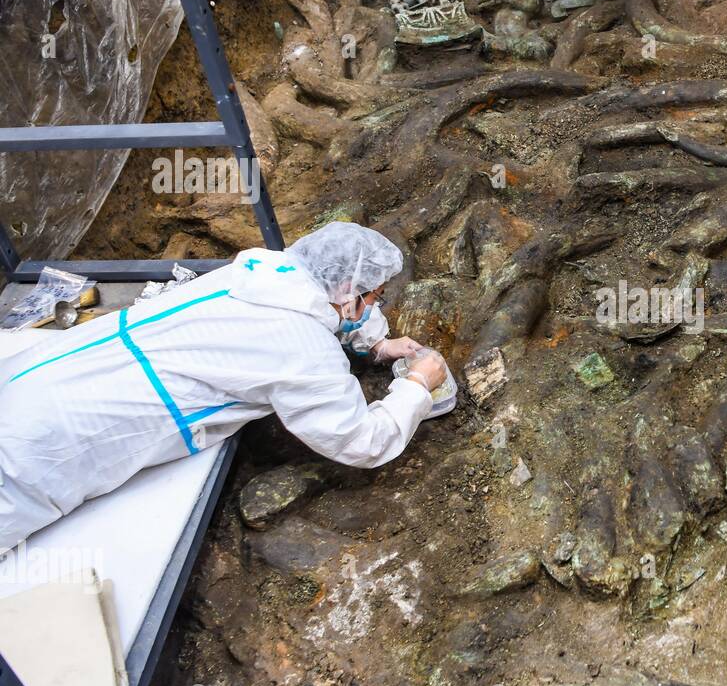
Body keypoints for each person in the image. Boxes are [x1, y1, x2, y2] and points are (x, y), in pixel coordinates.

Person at [0, 222, 448, 552]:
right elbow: (361, 441)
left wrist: (375, 345)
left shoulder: (256, 272)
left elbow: (323, 307)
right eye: (375, 297)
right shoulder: (302, 350)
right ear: (349, 289)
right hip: (46, 448)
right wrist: (417, 386)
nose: (375, 305)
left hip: (36, 375)